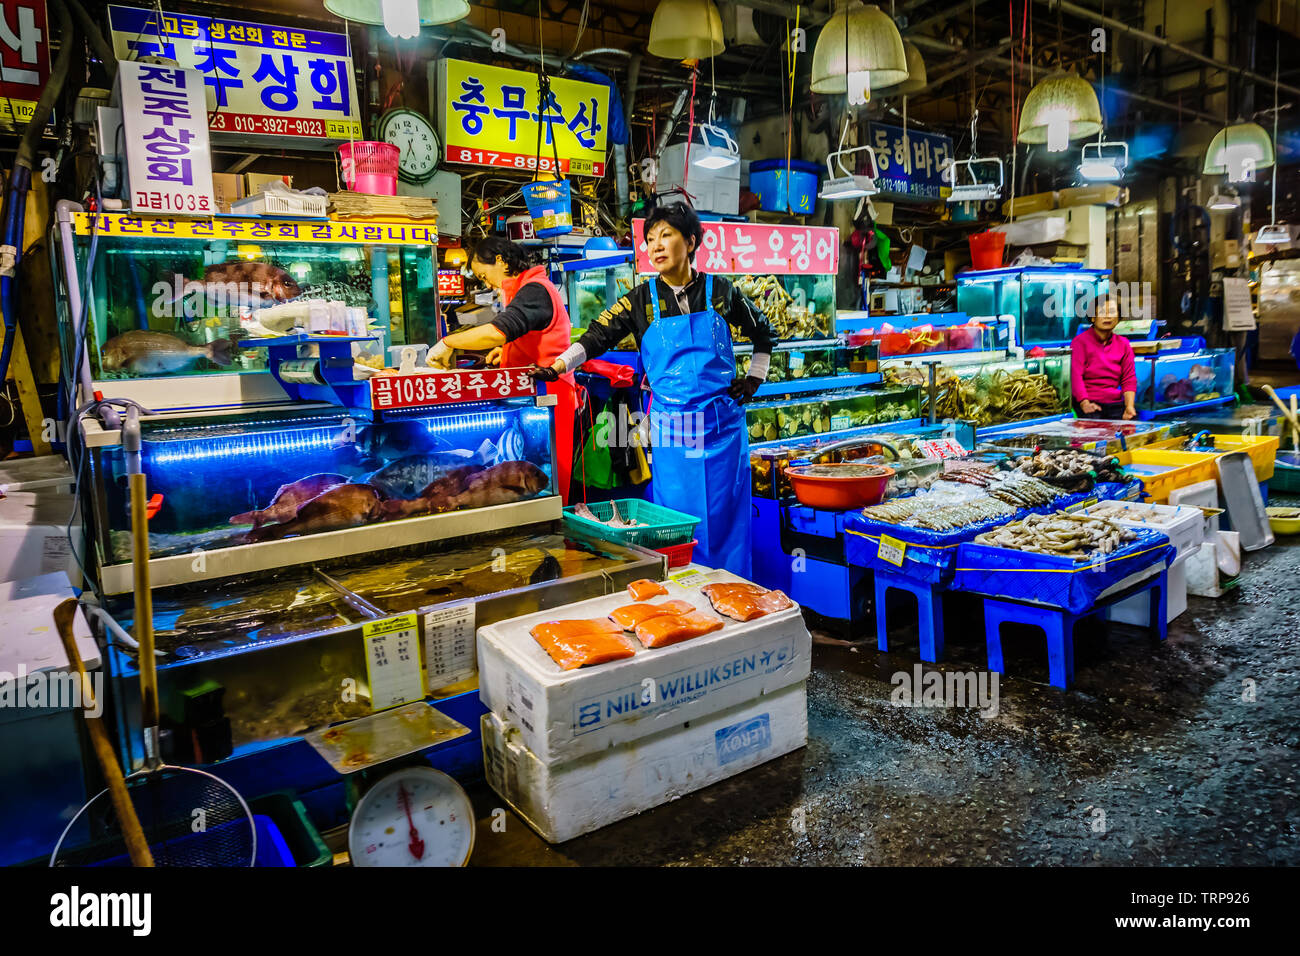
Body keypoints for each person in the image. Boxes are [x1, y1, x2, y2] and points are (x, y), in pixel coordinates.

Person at [531, 202, 776, 578]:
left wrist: (755, 378)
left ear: (691, 241)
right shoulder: (640, 300)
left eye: (666, 235)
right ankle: (684, 589)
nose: (656, 246)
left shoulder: (722, 291)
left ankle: (736, 589)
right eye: (650, 239)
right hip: (677, 428)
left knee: (727, 515)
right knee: (678, 517)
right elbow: (597, 336)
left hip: (723, 427)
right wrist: (559, 365)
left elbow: (764, 333)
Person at [428, 237, 579, 502]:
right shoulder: (526, 289)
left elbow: (499, 331)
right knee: (530, 477)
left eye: (484, 275)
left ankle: (558, 533)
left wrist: (448, 342)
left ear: (499, 260)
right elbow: (528, 334)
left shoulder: (535, 289)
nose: (486, 284)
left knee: (550, 477)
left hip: (550, 396)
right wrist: (508, 352)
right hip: (533, 397)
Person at [1070, 296, 1137, 420]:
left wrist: (1129, 406)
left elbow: (1129, 379)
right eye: (1102, 312)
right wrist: (1084, 403)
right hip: (1089, 403)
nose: (1107, 316)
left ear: (1118, 317)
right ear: (1093, 317)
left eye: (1112, 312)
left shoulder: (1123, 344)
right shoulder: (1079, 342)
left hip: (1115, 404)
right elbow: (1075, 376)